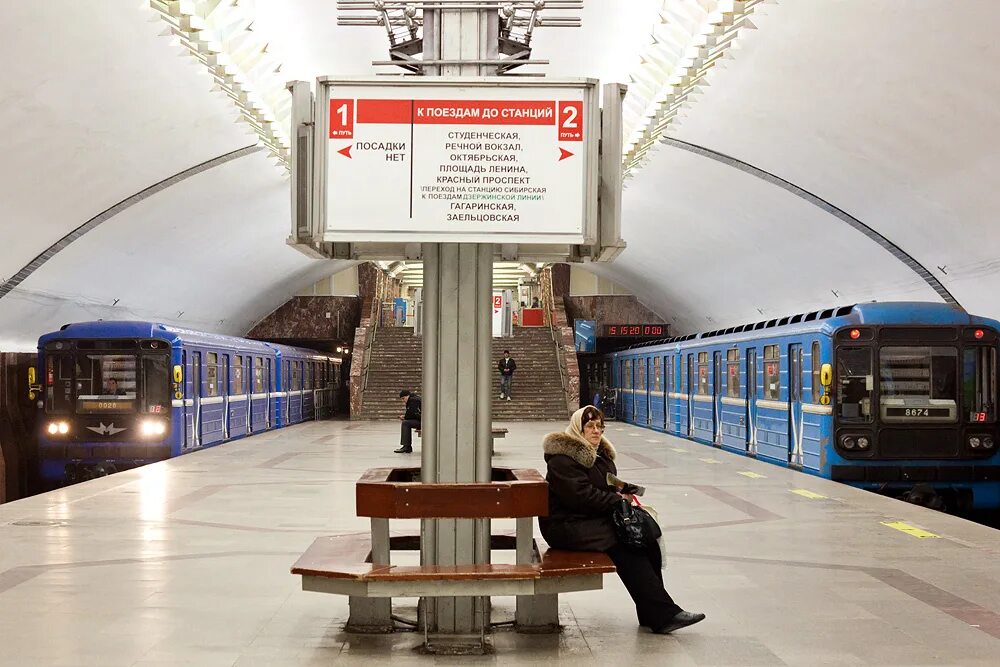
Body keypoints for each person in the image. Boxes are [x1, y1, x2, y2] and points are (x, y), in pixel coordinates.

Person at [539, 405, 705, 634]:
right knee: (625, 543)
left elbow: (604, 487)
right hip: (565, 525)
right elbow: (580, 497)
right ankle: (663, 614)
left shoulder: (601, 456)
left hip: (590, 520)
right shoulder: (563, 459)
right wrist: (617, 501)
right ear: (578, 428)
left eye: (600, 427)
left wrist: (622, 493)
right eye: (590, 426)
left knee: (646, 539)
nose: (596, 431)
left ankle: (652, 613)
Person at [394, 389, 421, 454]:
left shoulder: (413, 400)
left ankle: (406, 446)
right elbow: (413, 413)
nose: (403, 401)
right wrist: (406, 416)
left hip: (424, 422)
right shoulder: (415, 399)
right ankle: (407, 446)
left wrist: (405, 417)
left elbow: (412, 413)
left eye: (403, 398)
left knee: (405, 423)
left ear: (407, 396)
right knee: (406, 422)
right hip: (424, 420)